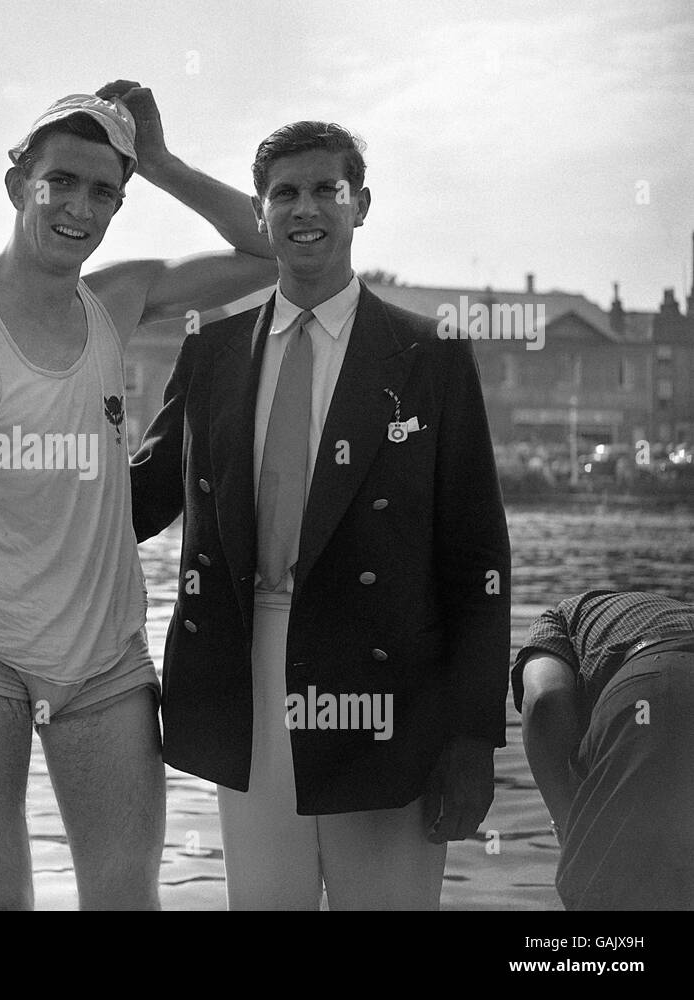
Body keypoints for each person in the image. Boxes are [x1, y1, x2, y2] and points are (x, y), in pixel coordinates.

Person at [0, 84, 279, 909]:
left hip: (103, 657)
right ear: (18, 180)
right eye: (60, 181)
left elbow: (267, 250)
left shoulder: (116, 302)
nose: (79, 208)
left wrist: (159, 163)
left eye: (104, 192)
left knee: (127, 901)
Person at [131, 121, 511, 909]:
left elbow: (477, 556)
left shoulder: (431, 353)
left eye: (326, 190)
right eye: (284, 193)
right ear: (262, 216)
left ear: (360, 205)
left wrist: (474, 740)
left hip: (386, 693)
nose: (306, 209)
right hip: (243, 674)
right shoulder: (212, 349)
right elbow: (141, 499)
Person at [513, 590, 694, 909]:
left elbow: (544, 699)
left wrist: (572, 827)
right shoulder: (678, 613)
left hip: (656, 683)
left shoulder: (558, 618)